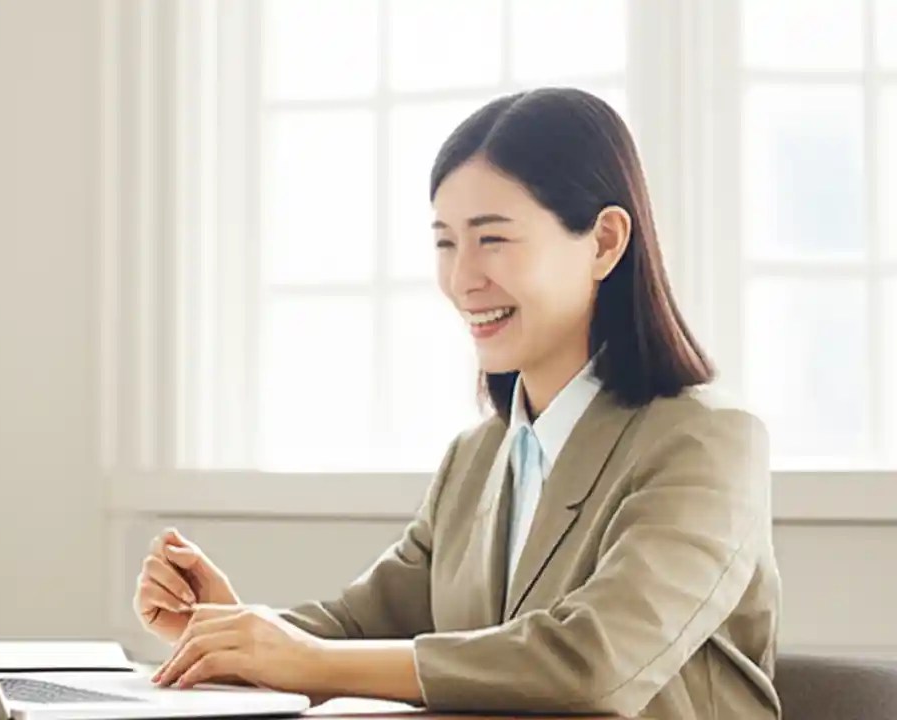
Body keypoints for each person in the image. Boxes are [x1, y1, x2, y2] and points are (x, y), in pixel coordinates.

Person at [132, 87, 780, 720]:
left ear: (605, 242)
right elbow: (360, 625)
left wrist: (304, 660)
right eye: (446, 242)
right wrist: (226, 634)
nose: (463, 277)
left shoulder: (707, 442)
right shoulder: (477, 457)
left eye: (492, 239)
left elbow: (592, 661)